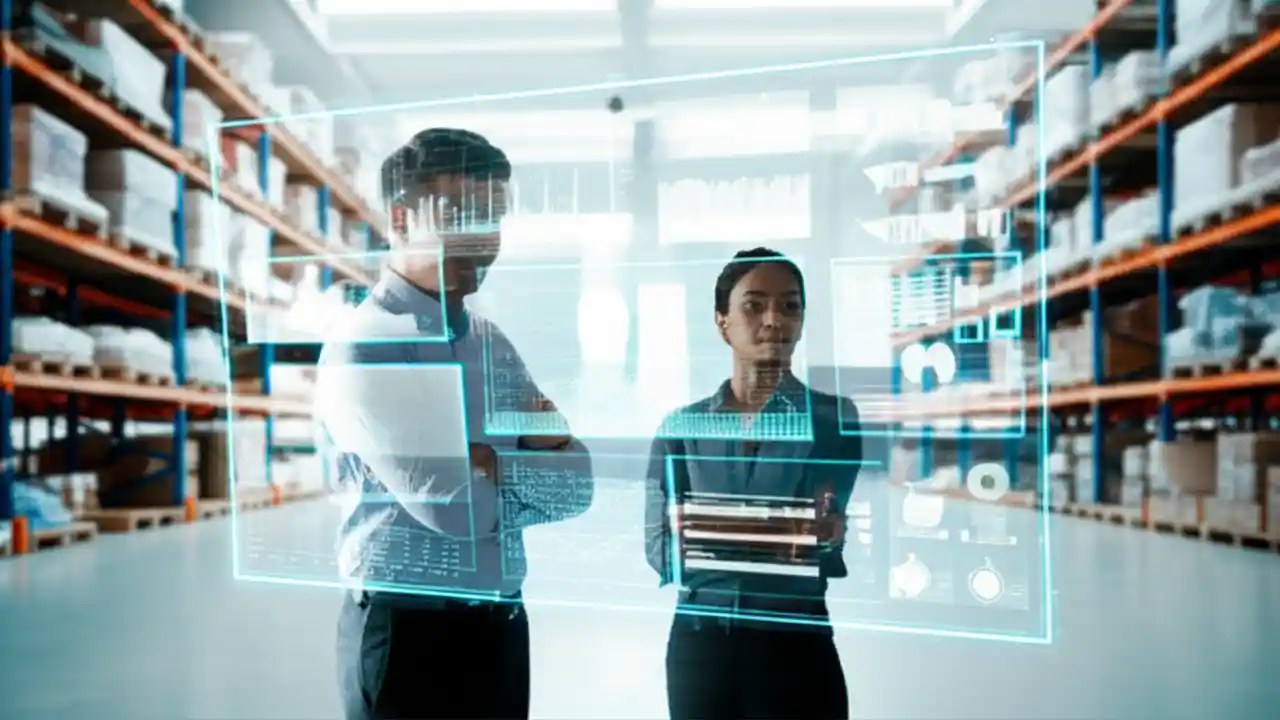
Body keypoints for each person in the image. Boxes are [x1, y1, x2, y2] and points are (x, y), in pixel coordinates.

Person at [315, 128, 594, 720]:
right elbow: (457, 511)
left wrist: (490, 464)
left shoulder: (491, 344)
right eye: (461, 215)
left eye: (494, 218)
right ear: (400, 218)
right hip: (410, 642)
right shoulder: (366, 348)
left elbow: (578, 487)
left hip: (499, 627)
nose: (484, 239)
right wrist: (529, 460)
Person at [644, 247, 862, 720]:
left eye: (790, 306)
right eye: (753, 305)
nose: (774, 320)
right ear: (722, 321)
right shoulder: (681, 427)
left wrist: (705, 532)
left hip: (795, 647)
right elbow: (661, 549)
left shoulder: (833, 419)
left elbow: (817, 540)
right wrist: (778, 533)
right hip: (701, 650)